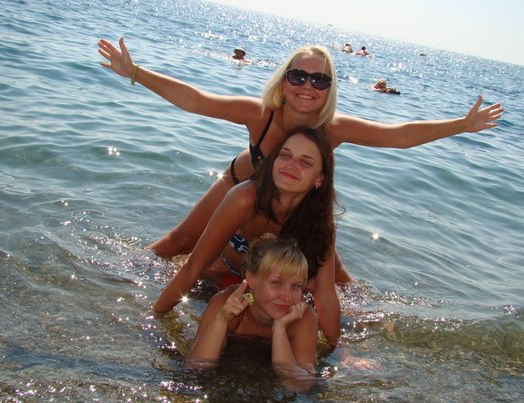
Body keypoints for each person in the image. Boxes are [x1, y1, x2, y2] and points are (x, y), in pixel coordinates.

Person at [98, 37, 503, 282]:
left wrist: (461, 125)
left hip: (296, 200)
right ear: (284, 81)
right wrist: (135, 72)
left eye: (320, 80)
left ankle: (358, 327)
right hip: (241, 184)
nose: (308, 86)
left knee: (336, 277)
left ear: (330, 89)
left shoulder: (333, 129)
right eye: (298, 76)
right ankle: (117, 275)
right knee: (179, 242)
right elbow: (196, 100)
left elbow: (398, 136)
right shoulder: (260, 114)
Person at [153, 127, 341, 346]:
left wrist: (336, 350)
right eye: (285, 155)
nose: (291, 165)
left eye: (305, 162)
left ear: (319, 179)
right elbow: (194, 266)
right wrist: (155, 316)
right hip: (219, 274)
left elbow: (326, 294)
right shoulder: (245, 198)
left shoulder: (319, 223)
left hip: (273, 289)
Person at [187, 237, 317, 389]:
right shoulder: (225, 304)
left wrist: (280, 329)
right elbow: (196, 368)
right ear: (252, 279)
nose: (287, 297)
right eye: (276, 283)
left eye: (295, 286)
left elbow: (301, 386)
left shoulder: (304, 318)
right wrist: (221, 320)